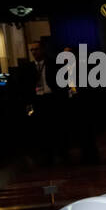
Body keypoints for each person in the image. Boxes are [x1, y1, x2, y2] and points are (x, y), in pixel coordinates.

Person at [23, 37, 68, 165]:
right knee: (42, 129)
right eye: (32, 50)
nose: (34, 52)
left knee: (57, 127)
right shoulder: (29, 68)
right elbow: (26, 88)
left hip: (52, 99)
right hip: (38, 100)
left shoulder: (53, 63)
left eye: (36, 49)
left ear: (42, 49)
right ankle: (47, 156)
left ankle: (62, 153)